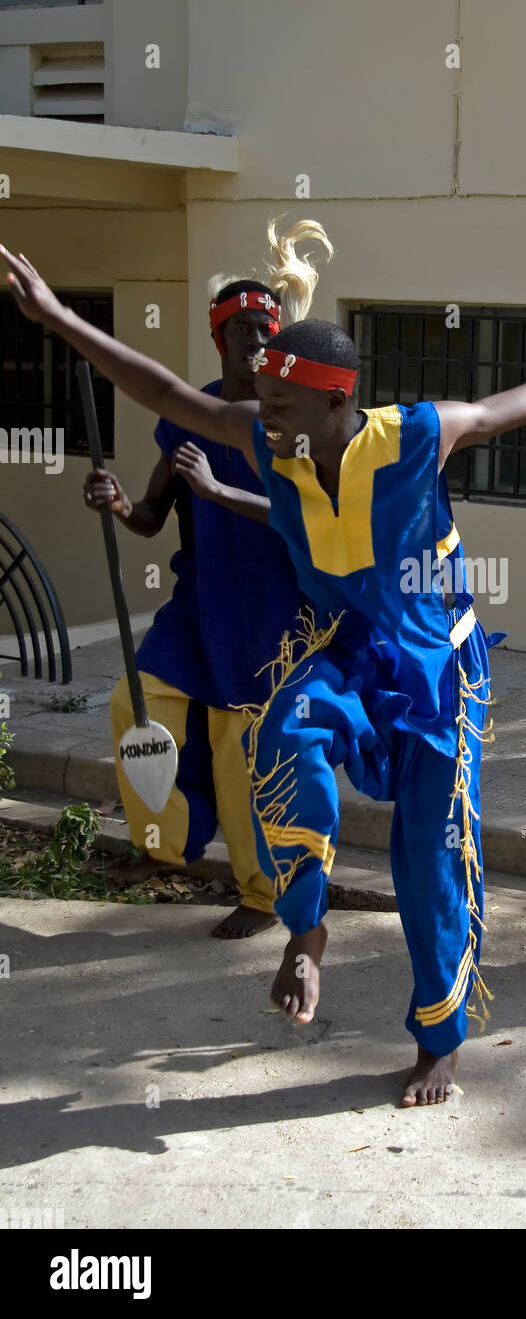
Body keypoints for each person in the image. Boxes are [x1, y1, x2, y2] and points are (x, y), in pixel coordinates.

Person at [0, 241, 526, 1102]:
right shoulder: (266, 439)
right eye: (259, 399)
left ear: (336, 399)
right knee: (281, 732)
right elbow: (161, 391)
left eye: (279, 402)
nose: (258, 414)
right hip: (349, 647)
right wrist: (55, 316)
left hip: (436, 662)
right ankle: (304, 931)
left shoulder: (418, 435)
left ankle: (438, 1036)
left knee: (426, 857)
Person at [88, 219, 332, 938]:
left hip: (270, 613)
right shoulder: (190, 415)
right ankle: (169, 844)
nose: (259, 344)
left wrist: (226, 491)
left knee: (242, 759)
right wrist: (118, 502)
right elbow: (151, 517)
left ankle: (262, 895)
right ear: (220, 339)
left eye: (268, 331)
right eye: (246, 332)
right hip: (198, 605)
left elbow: (310, 523)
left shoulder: (291, 422)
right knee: (136, 705)